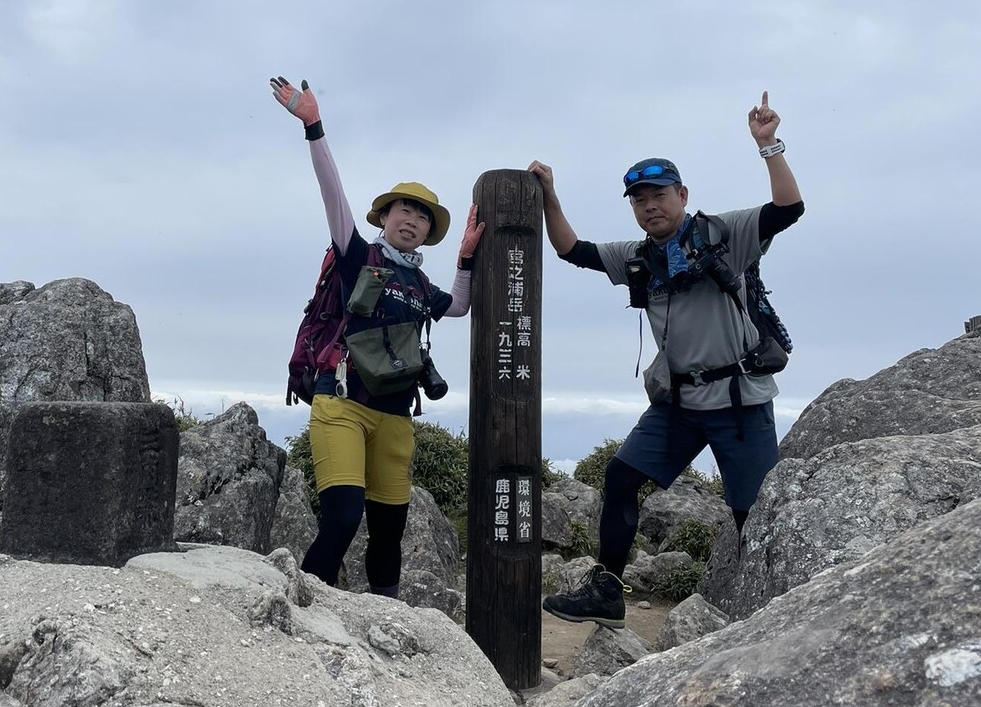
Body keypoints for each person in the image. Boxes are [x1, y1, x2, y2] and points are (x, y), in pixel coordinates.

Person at [529, 92, 804, 627]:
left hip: (738, 401)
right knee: (621, 477)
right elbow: (571, 250)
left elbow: (788, 208)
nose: (649, 205)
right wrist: (549, 198)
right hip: (677, 401)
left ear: (682, 194)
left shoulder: (726, 234)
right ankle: (607, 592)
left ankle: (778, 616)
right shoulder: (637, 258)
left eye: (658, 194)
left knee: (753, 514)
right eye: (638, 199)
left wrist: (769, 145)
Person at [271, 74, 484, 596]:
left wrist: (466, 258)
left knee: (389, 532)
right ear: (384, 217)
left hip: (395, 415)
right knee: (343, 518)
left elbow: (456, 306)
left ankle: (382, 622)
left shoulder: (417, 281)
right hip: (341, 403)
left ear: (428, 232)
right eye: (403, 209)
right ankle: (297, 612)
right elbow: (332, 196)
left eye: (422, 216)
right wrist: (314, 127)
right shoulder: (355, 256)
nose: (411, 220)